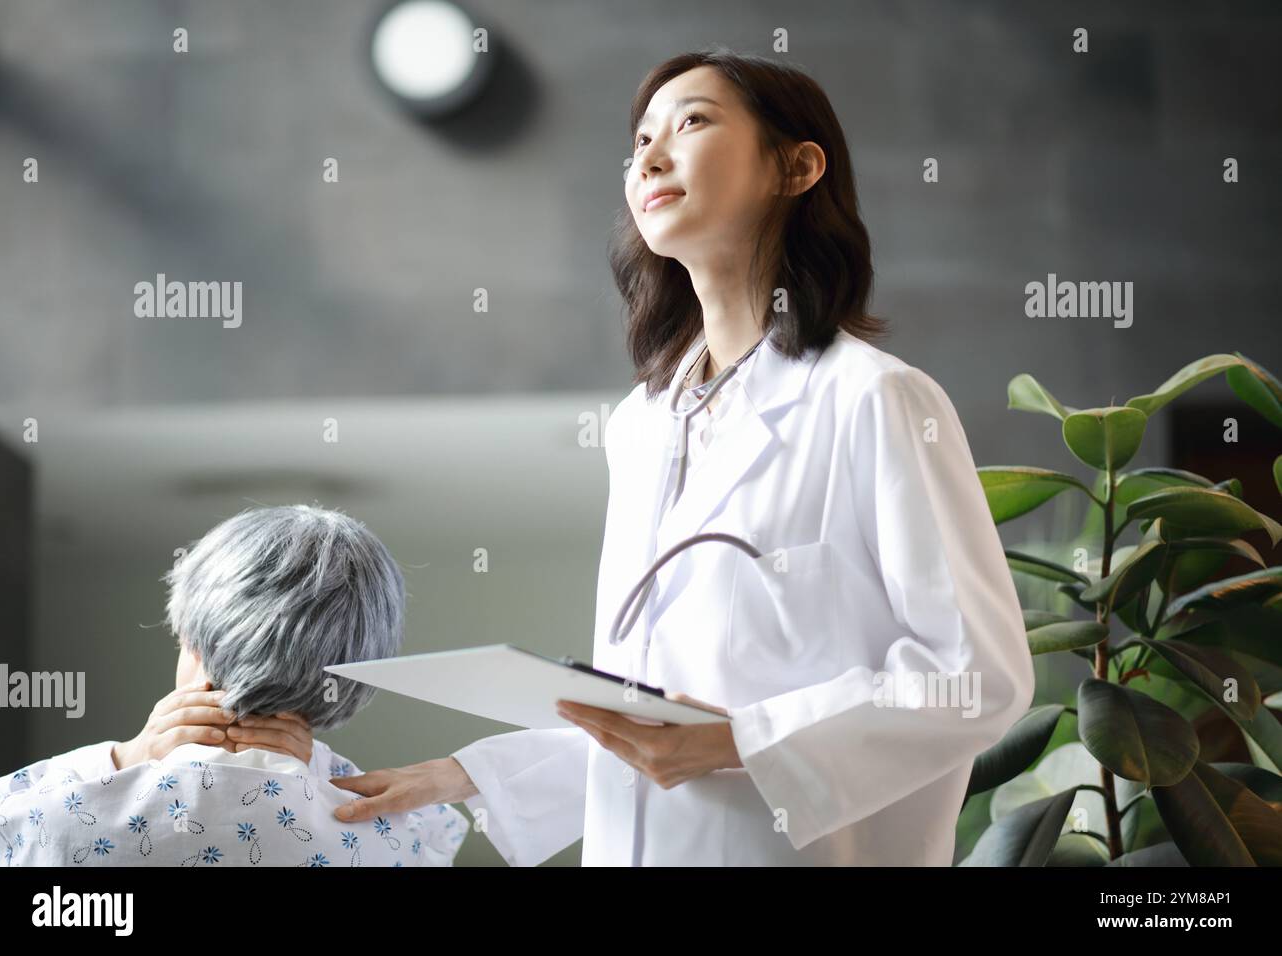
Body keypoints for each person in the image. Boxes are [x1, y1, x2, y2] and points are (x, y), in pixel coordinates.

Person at [329, 48, 1036, 866]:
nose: (650, 158)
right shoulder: (642, 426)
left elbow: (974, 675)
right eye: (638, 143)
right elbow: (653, 729)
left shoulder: (873, 400)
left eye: (692, 122)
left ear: (798, 166)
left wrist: (744, 740)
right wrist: (461, 775)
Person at [0, 505, 468, 867]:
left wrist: (117, 762)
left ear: (192, 643)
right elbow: (444, 835)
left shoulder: (52, 824)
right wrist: (325, 770)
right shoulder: (398, 838)